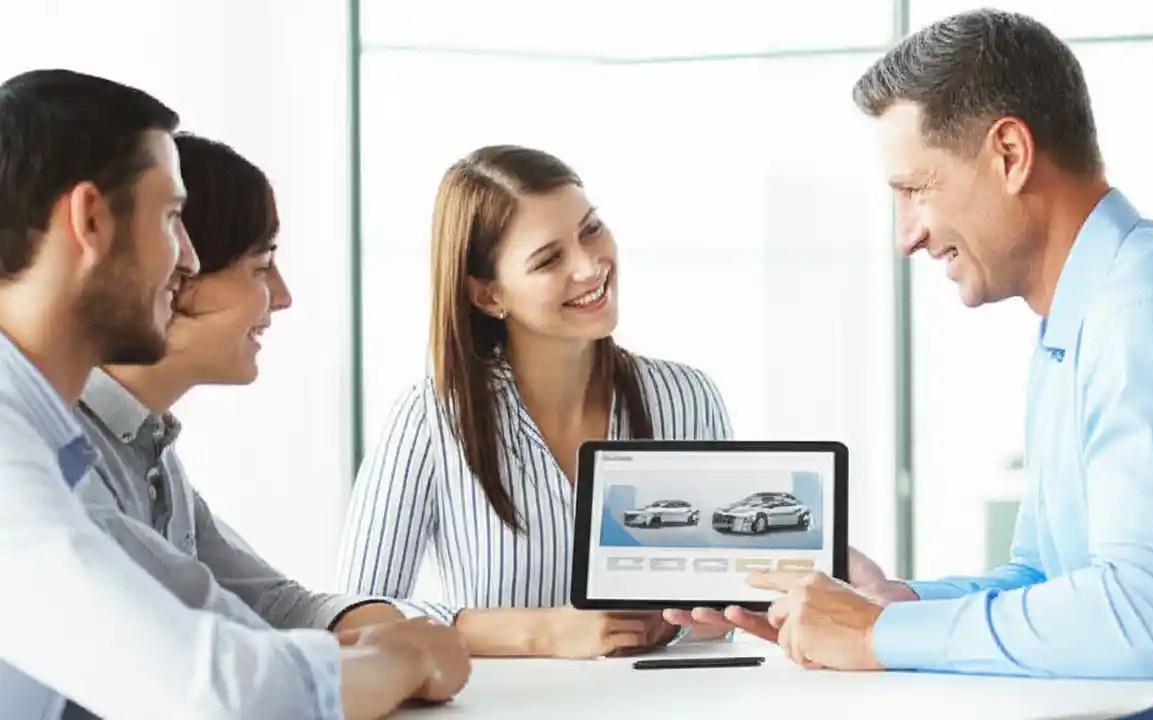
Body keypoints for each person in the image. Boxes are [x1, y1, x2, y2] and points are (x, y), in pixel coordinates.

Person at [702, 10, 1153, 718]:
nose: (906, 236)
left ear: (1009, 153)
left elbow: (1142, 616)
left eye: (916, 189)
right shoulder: (1081, 320)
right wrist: (893, 601)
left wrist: (882, 633)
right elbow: (1043, 575)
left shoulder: (1152, 316)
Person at [0, 69, 467, 719]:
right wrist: (401, 660)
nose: (188, 259)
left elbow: (222, 622)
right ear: (90, 219)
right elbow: (215, 691)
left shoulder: (57, 445)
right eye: (170, 218)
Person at [337, 145, 733, 658]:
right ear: (488, 295)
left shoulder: (687, 399)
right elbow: (353, 618)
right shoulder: (433, 419)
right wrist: (539, 631)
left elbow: (725, 613)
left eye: (591, 229)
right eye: (549, 259)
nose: (590, 267)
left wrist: (675, 623)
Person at [72, 133, 416, 638]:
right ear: (174, 271)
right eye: (261, 267)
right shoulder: (63, 452)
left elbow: (272, 605)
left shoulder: (152, 450)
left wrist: (423, 634)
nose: (283, 297)